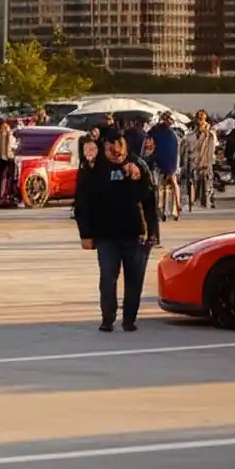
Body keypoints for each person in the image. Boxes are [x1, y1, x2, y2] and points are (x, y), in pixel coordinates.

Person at [75, 131, 160, 333]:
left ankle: (129, 319)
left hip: (136, 234)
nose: (116, 152)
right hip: (106, 235)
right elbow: (83, 204)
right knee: (108, 278)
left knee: (134, 280)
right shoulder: (94, 170)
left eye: (119, 146)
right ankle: (107, 318)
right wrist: (85, 234)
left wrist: (153, 233)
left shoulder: (138, 165)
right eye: (110, 148)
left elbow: (150, 201)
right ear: (103, 149)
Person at [147, 113, 181, 220]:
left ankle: (177, 205)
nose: (170, 121)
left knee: (170, 184)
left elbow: (175, 150)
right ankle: (162, 208)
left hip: (170, 162)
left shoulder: (172, 133)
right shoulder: (160, 132)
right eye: (169, 119)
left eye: (171, 119)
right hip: (161, 161)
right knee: (162, 186)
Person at [183, 110, 218, 209]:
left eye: (202, 118)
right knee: (193, 180)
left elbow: (214, 145)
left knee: (207, 180)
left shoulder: (211, 133)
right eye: (199, 118)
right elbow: (189, 144)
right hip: (194, 159)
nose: (201, 121)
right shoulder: (192, 133)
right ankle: (193, 199)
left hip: (207, 160)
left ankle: (209, 199)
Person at [0, 119, 17, 206]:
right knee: (4, 178)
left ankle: (2, 196)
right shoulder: (5, 133)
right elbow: (11, 145)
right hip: (6, 158)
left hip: (3, 158)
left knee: (3, 178)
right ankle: (3, 197)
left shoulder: (0, 133)